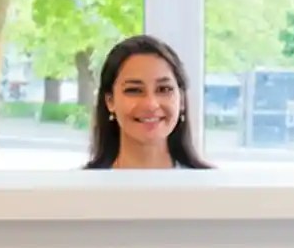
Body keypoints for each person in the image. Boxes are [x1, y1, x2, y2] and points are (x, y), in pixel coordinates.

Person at [83, 34, 213, 169]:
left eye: (164, 89)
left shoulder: (215, 187)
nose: (150, 104)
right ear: (110, 101)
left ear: (181, 100)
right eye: (134, 90)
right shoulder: (77, 188)